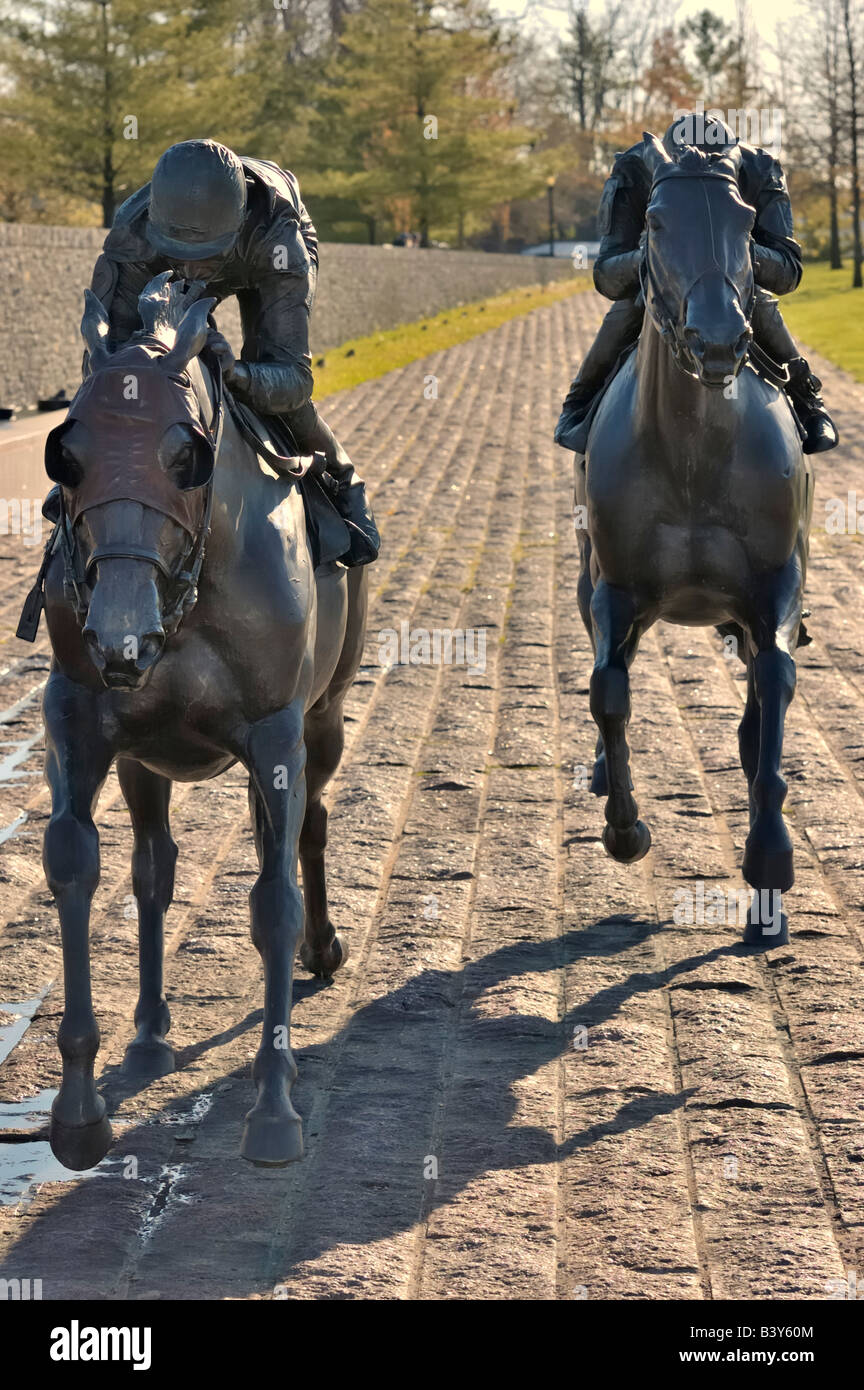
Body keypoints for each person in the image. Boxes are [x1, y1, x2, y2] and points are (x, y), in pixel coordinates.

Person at [84, 139, 379, 564]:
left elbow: (293, 380)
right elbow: (104, 369)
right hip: (176, 253)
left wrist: (237, 373)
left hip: (262, 257)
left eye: (204, 256)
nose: (190, 270)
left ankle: (343, 480)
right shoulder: (133, 237)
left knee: (271, 394)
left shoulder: (279, 242)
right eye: (179, 255)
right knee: (126, 382)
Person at [555, 115, 838, 456]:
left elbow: (788, 272)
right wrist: (655, 254)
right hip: (666, 283)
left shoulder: (761, 168)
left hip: (736, 283)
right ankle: (580, 401)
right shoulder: (634, 169)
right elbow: (607, 277)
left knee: (760, 304)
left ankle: (808, 401)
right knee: (628, 307)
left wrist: (738, 244)